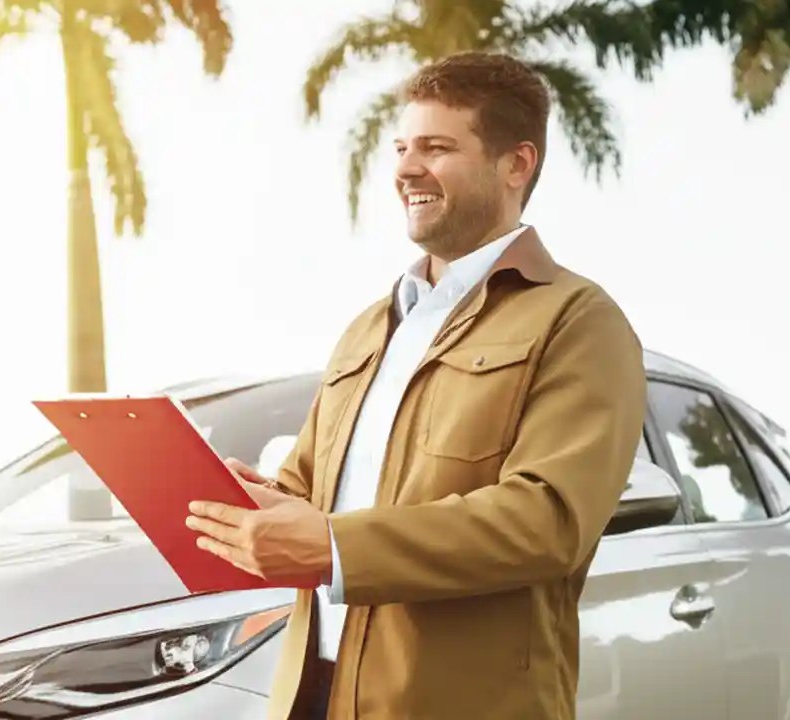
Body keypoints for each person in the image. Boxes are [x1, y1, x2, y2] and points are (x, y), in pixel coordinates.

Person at [185, 51, 647, 720]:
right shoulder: (370, 328)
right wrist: (255, 503)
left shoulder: (577, 320)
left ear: (516, 164)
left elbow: (548, 522)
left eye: (436, 147)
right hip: (314, 694)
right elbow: (309, 489)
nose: (405, 168)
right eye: (402, 147)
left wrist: (337, 546)